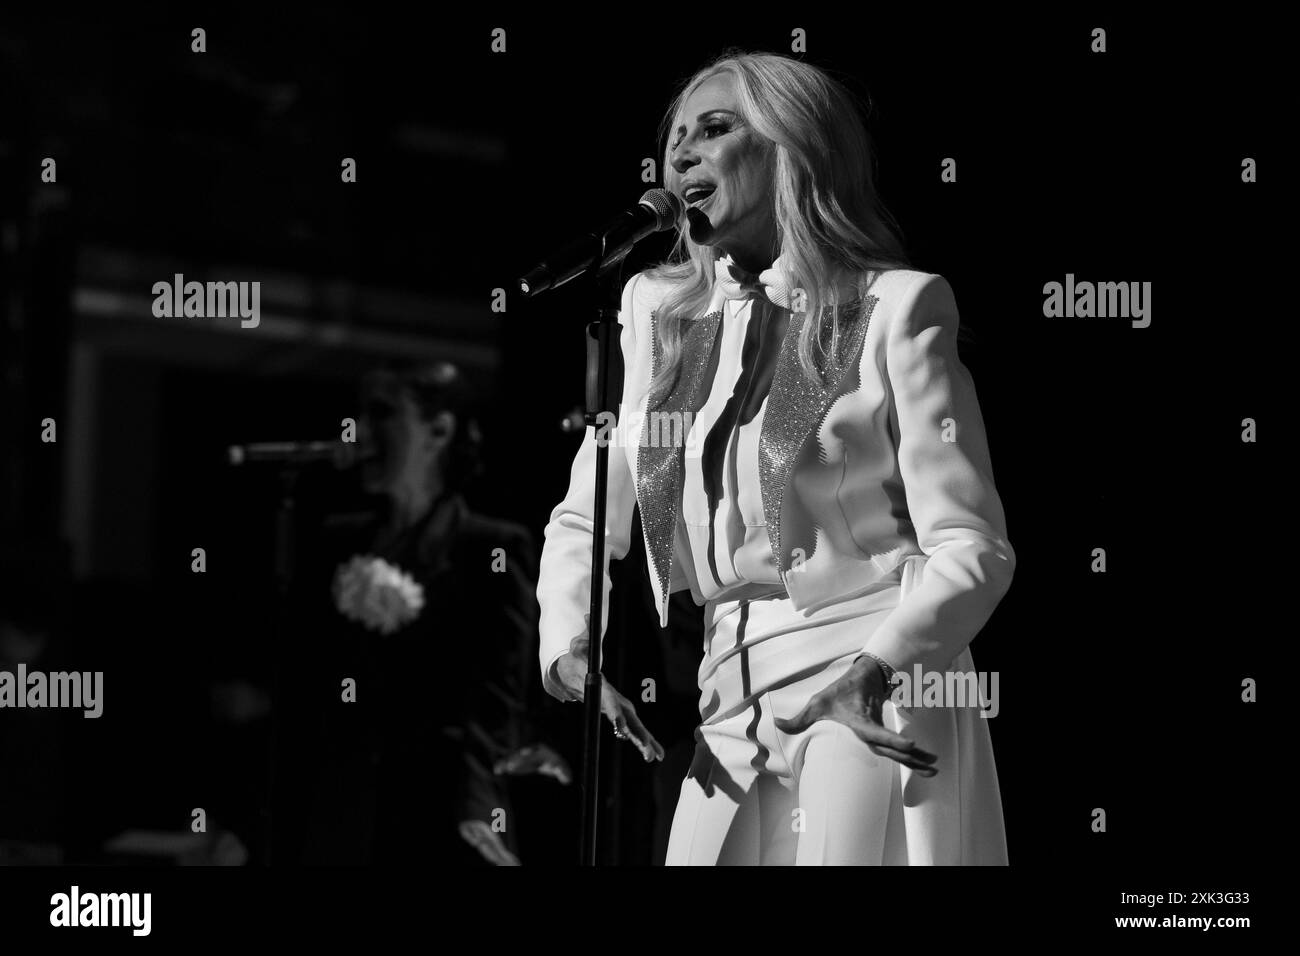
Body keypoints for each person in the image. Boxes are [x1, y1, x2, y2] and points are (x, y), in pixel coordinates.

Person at [535, 51, 1016, 865]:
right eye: (674, 137)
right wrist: (570, 650)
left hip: (864, 669)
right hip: (724, 689)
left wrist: (881, 668)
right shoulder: (660, 318)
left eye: (715, 130)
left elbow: (974, 548)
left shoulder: (893, 309)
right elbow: (587, 514)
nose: (679, 154)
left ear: (795, 147)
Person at [290, 361, 568, 866]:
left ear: (439, 430)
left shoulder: (490, 549)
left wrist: (478, 806)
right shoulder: (336, 541)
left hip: (434, 810)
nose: (363, 432)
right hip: (339, 810)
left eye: (383, 414)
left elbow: (496, 696)